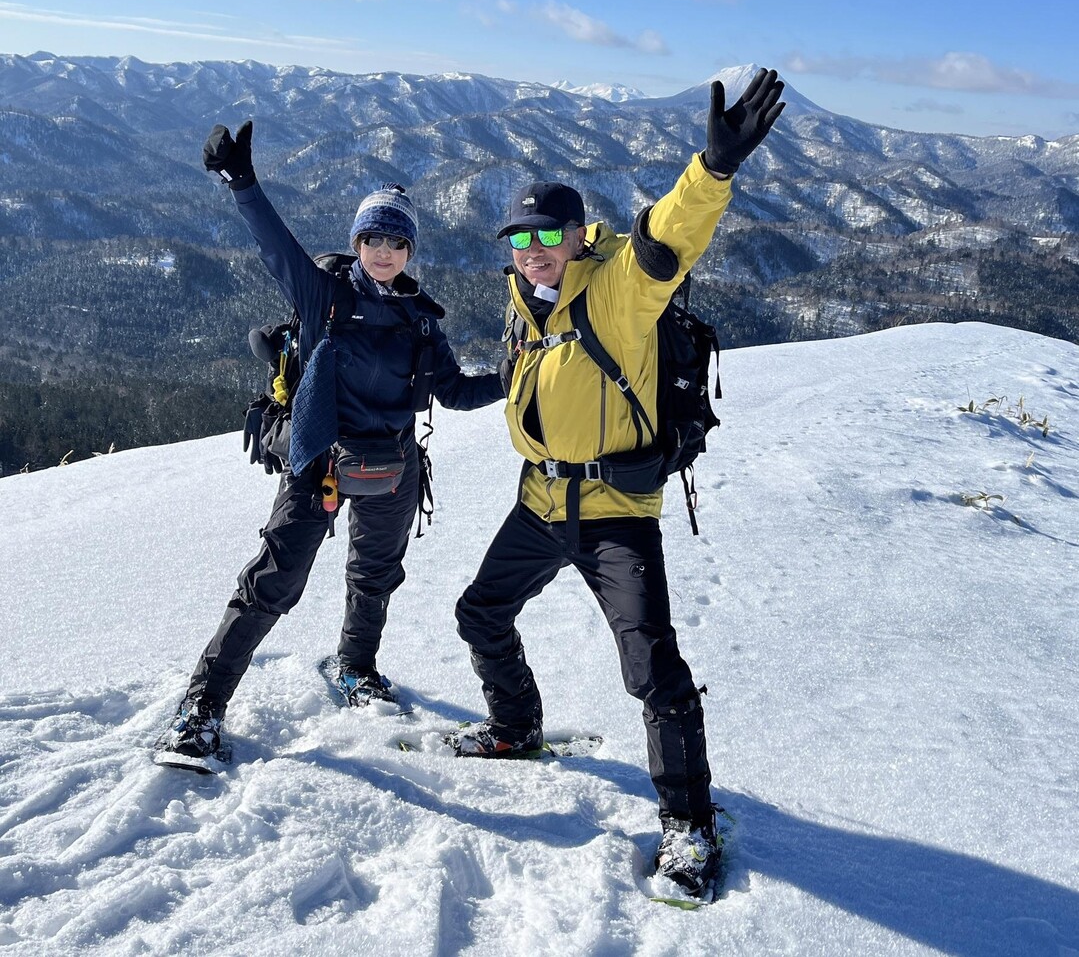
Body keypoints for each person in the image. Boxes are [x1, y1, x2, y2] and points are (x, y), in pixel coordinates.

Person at [451, 69, 785, 896]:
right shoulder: (525, 301)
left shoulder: (616, 293)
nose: (532, 250)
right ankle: (514, 727)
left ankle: (688, 825)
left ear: (577, 234)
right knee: (480, 611)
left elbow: (666, 241)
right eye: (518, 238)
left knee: (651, 669)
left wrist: (712, 169)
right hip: (539, 501)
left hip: (614, 512)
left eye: (546, 235)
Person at [157, 120, 504, 766]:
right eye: (372, 238)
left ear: (410, 250)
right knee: (272, 583)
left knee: (376, 574)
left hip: (394, 463)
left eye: (396, 241)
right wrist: (242, 183)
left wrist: (516, 376)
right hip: (318, 460)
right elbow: (276, 247)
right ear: (356, 242)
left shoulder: (421, 323)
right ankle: (199, 711)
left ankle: (355, 667)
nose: (383, 251)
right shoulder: (325, 297)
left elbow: (455, 392)